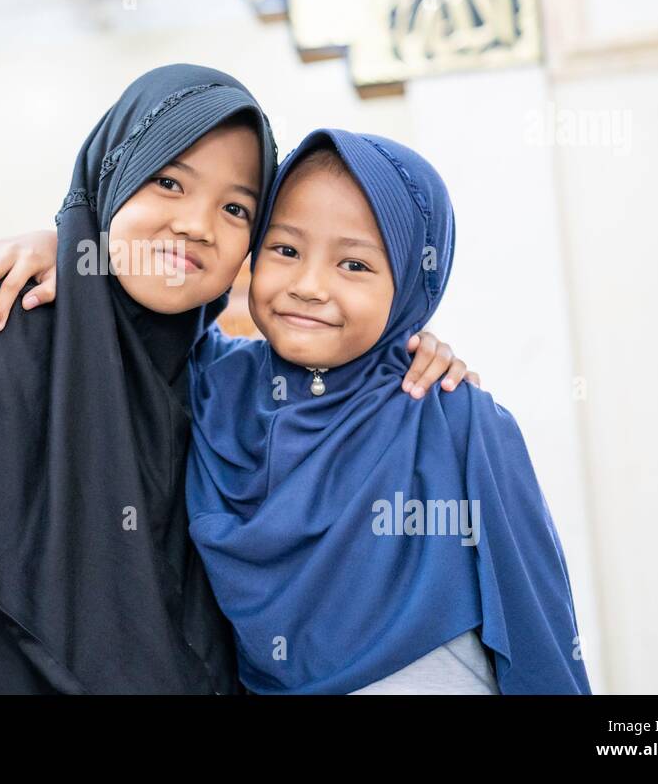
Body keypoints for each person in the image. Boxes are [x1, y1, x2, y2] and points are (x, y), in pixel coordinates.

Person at [0, 64, 475, 694]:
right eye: (169, 182)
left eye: (236, 209)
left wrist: (410, 350)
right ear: (115, 174)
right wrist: (73, 239)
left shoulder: (221, 381)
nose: (196, 223)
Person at [186, 128, 592, 694]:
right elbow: (130, 327)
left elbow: (536, 620)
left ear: (410, 288)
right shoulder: (212, 388)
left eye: (354, 266)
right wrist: (64, 246)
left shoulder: (453, 418)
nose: (307, 285)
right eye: (285, 250)